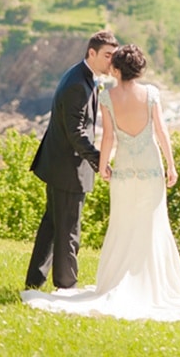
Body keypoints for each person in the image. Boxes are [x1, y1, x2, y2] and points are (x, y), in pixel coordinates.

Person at [21, 43, 180, 321]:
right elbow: (162, 132)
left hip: (125, 172)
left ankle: (115, 281)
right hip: (151, 169)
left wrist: (103, 166)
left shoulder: (108, 97)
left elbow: (108, 137)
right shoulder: (151, 94)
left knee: (122, 225)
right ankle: (154, 286)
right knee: (153, 226)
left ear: (117, 69)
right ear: (139, 69)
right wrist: (171, 165)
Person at [24, 30, 118, 291]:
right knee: (68, 231)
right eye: (107, 55)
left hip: (59, 165)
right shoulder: (78, 83)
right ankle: (66, 286)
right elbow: (76, 133)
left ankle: (34, 281)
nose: (111, 61)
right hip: (68, 168)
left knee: (53, 226)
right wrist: (99, 162)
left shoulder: (81, 76)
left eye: (114, 55)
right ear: (92, 53)